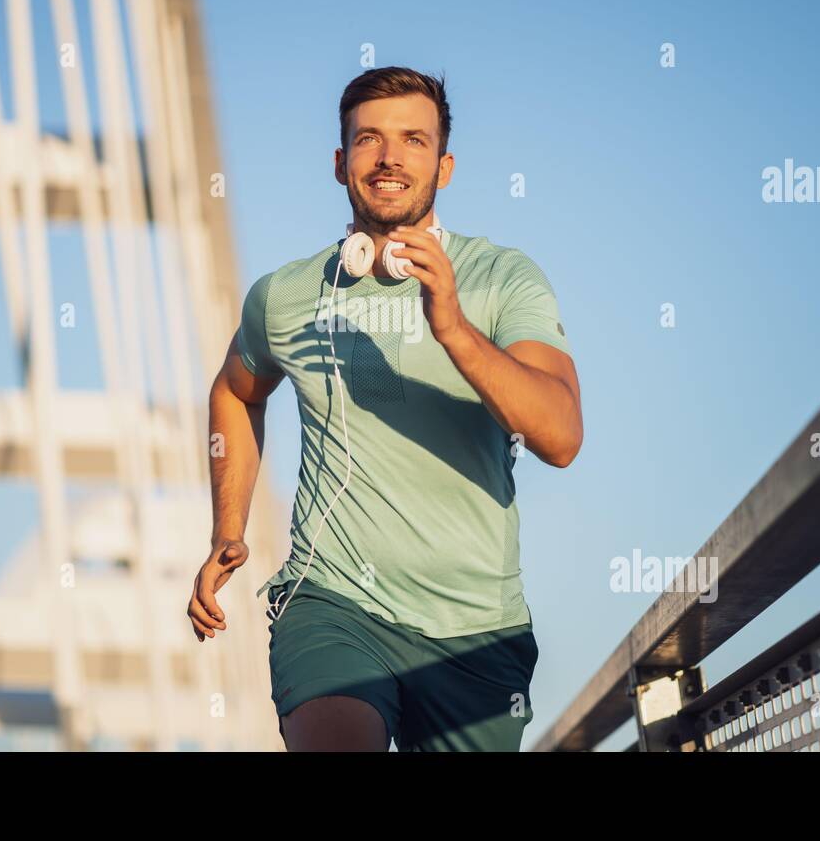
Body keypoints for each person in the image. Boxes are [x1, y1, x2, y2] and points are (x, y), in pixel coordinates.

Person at [187, 66, 582, 751]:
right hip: (332, 604)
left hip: (476, 628)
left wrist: (454, 327)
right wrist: (229, 525)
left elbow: (561, 436)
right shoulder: (283, 297)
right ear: (341, 162)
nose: (390, 158)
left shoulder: (502, 279)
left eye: (413, 141)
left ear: (445, 166)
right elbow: (234, 389)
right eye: (369, 139)